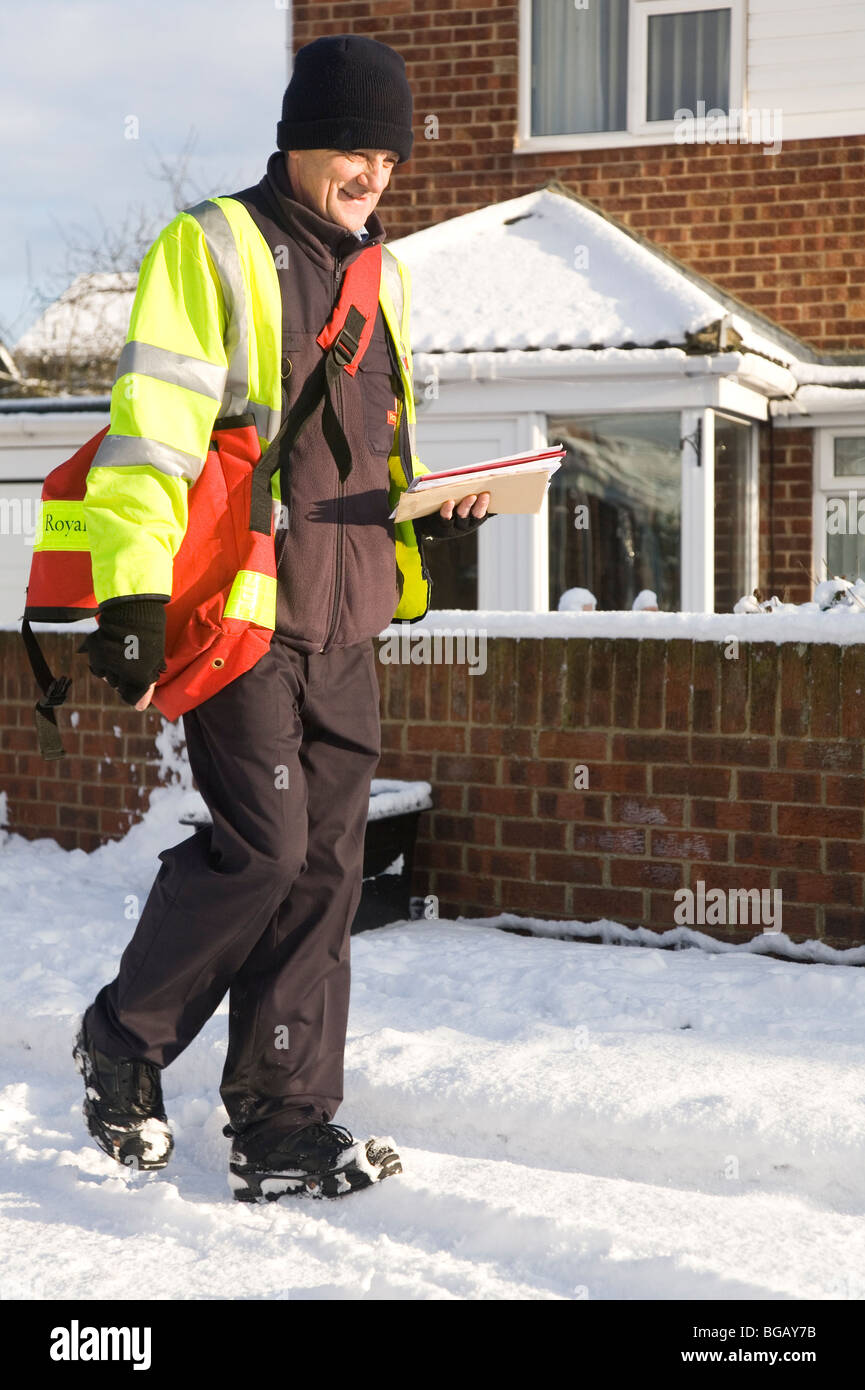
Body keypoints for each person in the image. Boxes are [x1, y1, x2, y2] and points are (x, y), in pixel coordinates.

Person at [72, 34, 491, 1202]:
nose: (372, 173)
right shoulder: (211, 245)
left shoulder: (383, 279)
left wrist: (432, 516)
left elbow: (367, 452)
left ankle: (282, 1125)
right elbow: (149, 436)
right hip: (244, 615)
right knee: (264, 850)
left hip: (347, 621)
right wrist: (130, 590)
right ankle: (124, 1034)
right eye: (354, 148)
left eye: (388, 157)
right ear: (300, 141)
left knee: (327, 876)